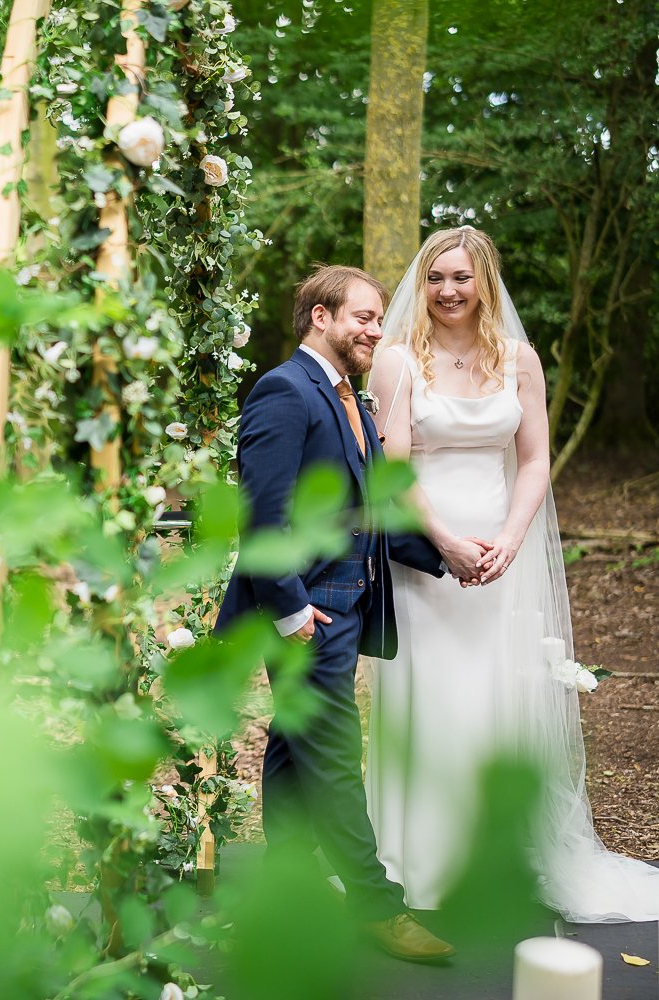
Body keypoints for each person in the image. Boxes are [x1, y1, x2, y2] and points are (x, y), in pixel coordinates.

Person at [365, 225, 659, 922]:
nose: (447, 291)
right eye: (435, 278)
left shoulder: (519, 359)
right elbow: (391, 467)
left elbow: (533, 460)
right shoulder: (397, 361)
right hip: (426, 557)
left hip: (501, 553)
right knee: (433, 699)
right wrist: (445, 542)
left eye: (461, 278)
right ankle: (421, 860)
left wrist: (510, 539)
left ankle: (496, 856)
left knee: (494, 698)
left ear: (485, 282)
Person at [216, 264, 459, 962]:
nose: (376, 330)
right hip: (307, 613)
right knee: (336, 752)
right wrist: (291, 610)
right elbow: (261, 517)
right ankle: (375, 906)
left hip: (346, 606)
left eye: (379, 319)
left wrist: (446, 554)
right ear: (320, 317)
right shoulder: (284, 391)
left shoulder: (347, 395)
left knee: (295, 745)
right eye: (363, 317)